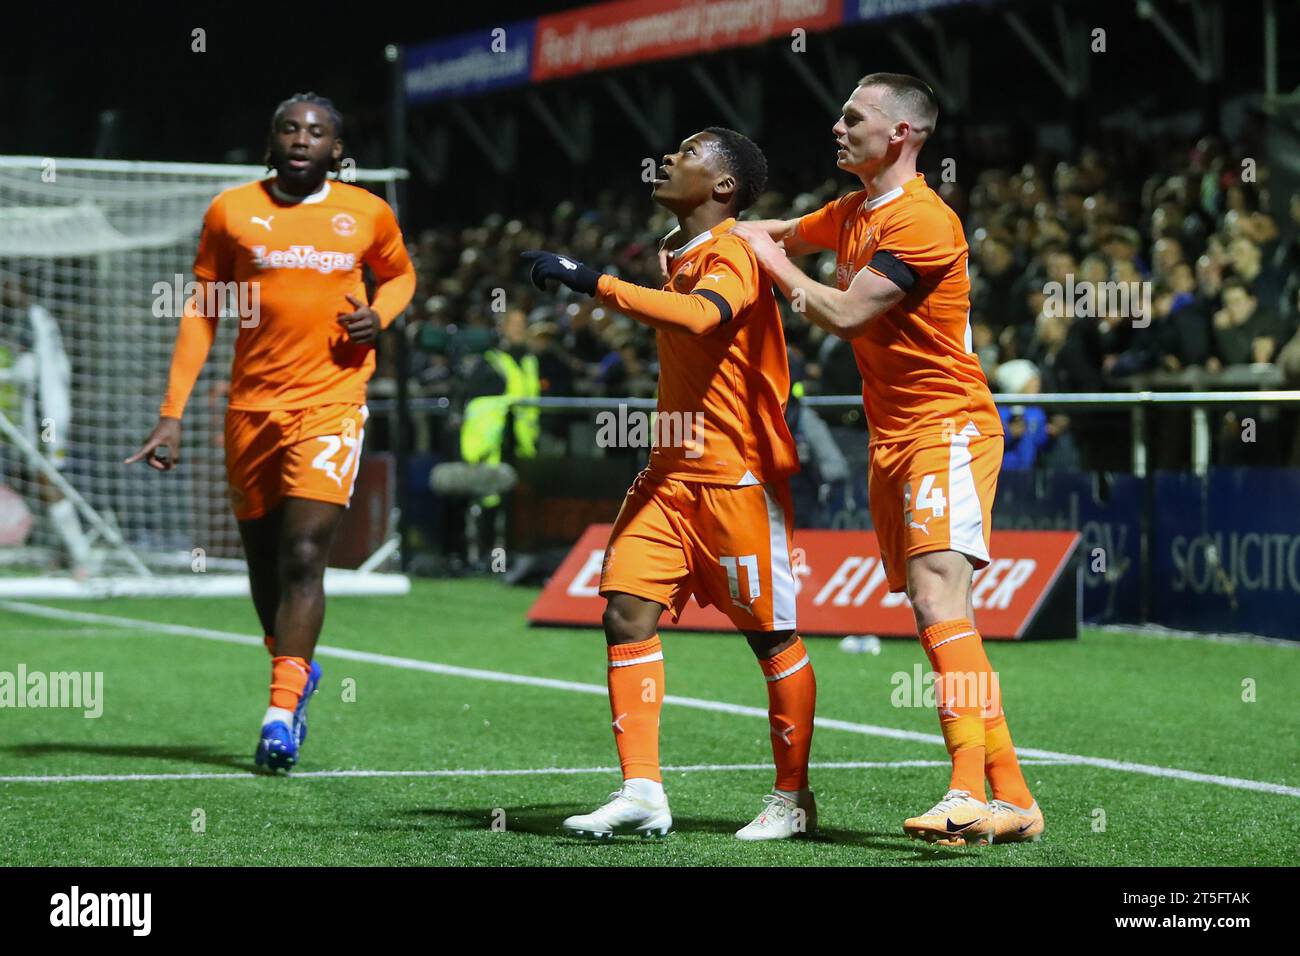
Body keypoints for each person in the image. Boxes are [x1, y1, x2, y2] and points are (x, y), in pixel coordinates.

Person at [732, 73, 1042, 846]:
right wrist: (721, 234)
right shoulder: (852, 211)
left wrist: (763, 259)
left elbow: (839, 311)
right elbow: (774, 230)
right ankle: (1016, 798)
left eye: (853, 118)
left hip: (948, 428)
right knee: (939, 613)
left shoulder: (924, 221)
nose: (836, 129)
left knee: (941, 604)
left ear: (901, 133)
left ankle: (967, 792)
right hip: (894, 437)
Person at [522, 127, 816, 841]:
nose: (669, 160)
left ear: (723, 187)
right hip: (667, 474)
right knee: (625, 611)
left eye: (688, 154)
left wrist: (592, 280)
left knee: (772, 638)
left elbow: (698, 317)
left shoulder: (735, 251)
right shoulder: (679, 247)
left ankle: (793, 800)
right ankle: (643, 791)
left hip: (734, 478)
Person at [126, 93, 416, 772]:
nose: (301, 138)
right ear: (271, 142)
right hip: (251, 409)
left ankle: (279, 715)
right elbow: (202, 310)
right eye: (289, 128)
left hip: (332, 403)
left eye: (317, 132)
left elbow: (401, 275)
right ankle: (294, 668)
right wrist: (172, 413)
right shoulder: (231, 212)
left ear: (336, 152)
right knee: (262, 566)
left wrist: (381, 314)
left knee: (304, 553)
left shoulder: (367, 213)